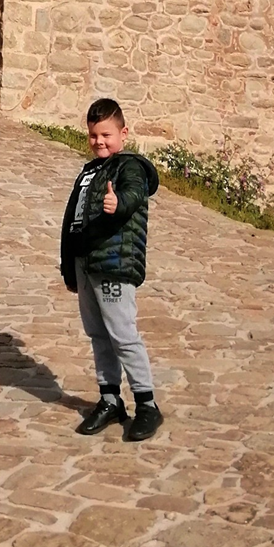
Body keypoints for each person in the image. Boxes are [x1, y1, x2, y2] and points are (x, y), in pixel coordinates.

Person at [59, 96, 163, 441]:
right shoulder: (89, 171)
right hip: (86, 264)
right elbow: (72, 219)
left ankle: (147, 404)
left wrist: (118, 204)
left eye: (106, 134)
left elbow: (135, 193)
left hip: (113, 265)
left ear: (123, 133)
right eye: (93, 135)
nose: (99, 141)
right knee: (98, 334)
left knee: (123, 335)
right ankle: (110, 398)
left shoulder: (128, 167)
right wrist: (69, 266)